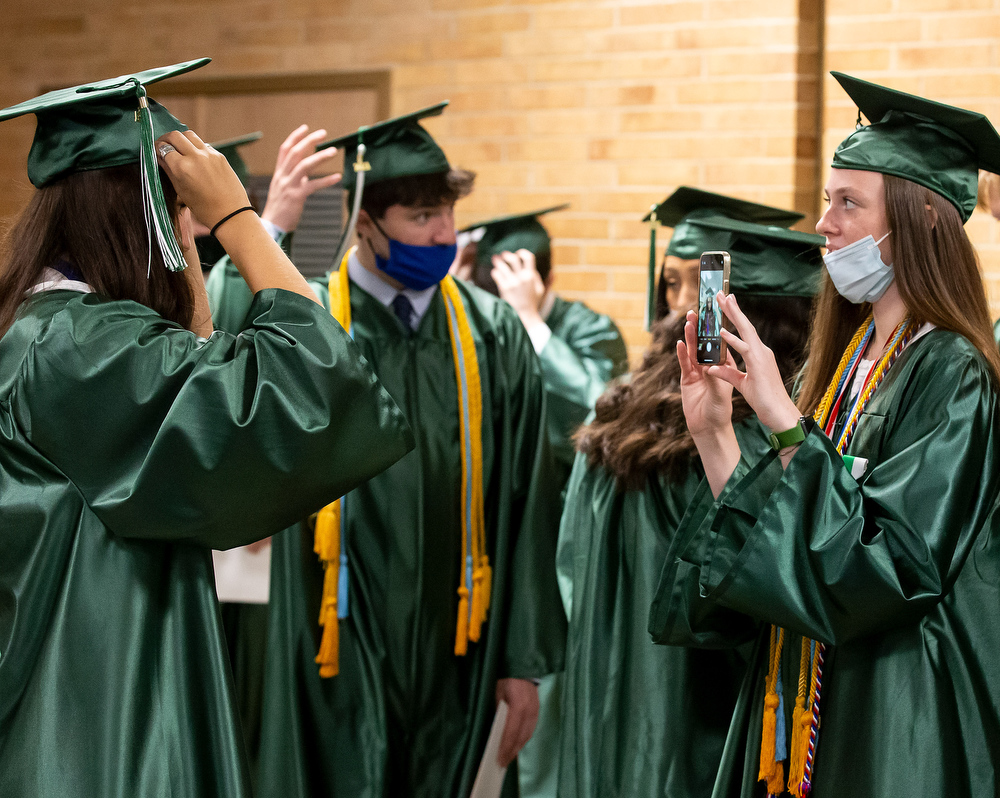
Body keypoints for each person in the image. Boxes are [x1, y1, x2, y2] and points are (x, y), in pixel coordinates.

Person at [0, 59, 414, 798]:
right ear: (138, 216)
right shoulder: (83, 348)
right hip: (95, 709)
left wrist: (185, 253)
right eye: (173, 211)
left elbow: (201, 355)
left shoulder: (40, 328)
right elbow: (312, 383)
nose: (185, 231)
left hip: (67, 683)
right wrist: (236, 219)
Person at [206, 102, 566, 798]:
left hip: (459, 642)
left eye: (448, 214)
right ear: (365, 222)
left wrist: (522, 661)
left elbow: (528, 500)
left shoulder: (492, 333)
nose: (444, 234)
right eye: (422, 217)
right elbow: (220, 344)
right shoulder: (310, 320)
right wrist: (266, 227)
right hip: (332, 634)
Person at [657, 72, 1000, 797]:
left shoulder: (952, 371)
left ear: (920, 219)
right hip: (803, 689)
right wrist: (715, 436)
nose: (823, 224)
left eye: (849, 202)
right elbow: (789, 550)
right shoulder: (847, 362)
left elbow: (892, 567)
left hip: (893, 702)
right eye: (826, 200)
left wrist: (782, 417)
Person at [556, 190, 822, 798]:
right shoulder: (750, 441)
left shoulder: (612, 415)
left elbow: (570, 563)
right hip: (700, 708)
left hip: (604, 689)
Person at [457, 205, 628, 797]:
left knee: (543, 722)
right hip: (484, 546)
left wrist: (531, 321)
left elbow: (593, 421)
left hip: (557, 553)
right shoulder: (476, 321)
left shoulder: (588, 329)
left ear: (544, 278)